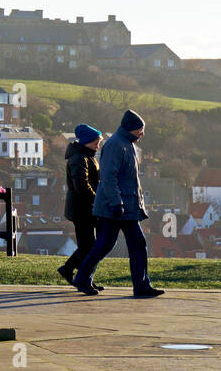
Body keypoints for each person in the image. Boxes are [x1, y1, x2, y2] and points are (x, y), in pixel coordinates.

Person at [73, 110, 164, 297]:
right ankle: (138, 285)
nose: (142, 133)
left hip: (125, 207)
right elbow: (108, 177)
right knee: (110, 245)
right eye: (140, 129)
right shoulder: (116, 145)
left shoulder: (126, 143)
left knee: (122, 245)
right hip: (115, 207)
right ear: (131, 129)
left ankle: (140, 285)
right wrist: (116, 203)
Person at [58, 124, 103, 289]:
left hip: (85, 208)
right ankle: (78, 276)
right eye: (96, 141)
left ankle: (71, 271)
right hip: (81, 209)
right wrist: (97, 199)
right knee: (89, 246)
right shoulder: (79, 158)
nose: (98, 144)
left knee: (89, 245)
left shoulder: (86, 155)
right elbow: (82, 185)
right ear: (87, 141)